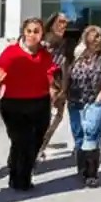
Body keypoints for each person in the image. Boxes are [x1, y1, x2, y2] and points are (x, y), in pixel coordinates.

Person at [0, 17, 60, 191]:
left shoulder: (45, 54)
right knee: (22, 141)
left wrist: (54, 89)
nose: (32, 35)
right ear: (23, 32)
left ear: (42, 34)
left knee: (36, 141)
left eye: (36, 31)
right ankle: (19, 179)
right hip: (14, 104)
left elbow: (50, 74)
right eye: (29, 31)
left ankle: (18, 167)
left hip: (40, 103)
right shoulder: (11, 52)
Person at [65, 25, 101, 187]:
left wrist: (100, 98)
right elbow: (68, 75)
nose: (98, 40)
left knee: (91, 134)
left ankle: (92, 174)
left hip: (95, 101)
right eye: (95, 37)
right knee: (79, 136)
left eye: (100, 37)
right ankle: (82, 169)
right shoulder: (77, 56)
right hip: (75, 101)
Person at [37, 12, 71, 162]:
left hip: (58, 85)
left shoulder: (61, 41)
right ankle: (38, 147)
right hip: (47, 85)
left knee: (57, 117)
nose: (64, 25)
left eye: (65, 22)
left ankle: (40, 146)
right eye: (61, 22)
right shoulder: (46, 40)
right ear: (52, 23)